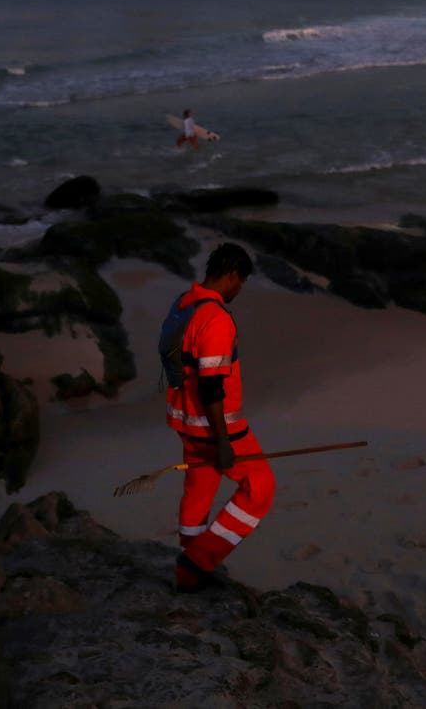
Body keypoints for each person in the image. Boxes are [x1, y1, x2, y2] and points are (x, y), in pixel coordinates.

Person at [164, 242, 274, 592]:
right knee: (259, 488)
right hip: (215, 427)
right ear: (230, 275)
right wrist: (224, 440)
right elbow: (212, 388)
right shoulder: (215, 318)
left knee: (199, 491)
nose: (239, 289)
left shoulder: (183, 304)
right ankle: (199, 560)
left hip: (184, 422)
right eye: (240, 282)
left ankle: (188, 570)